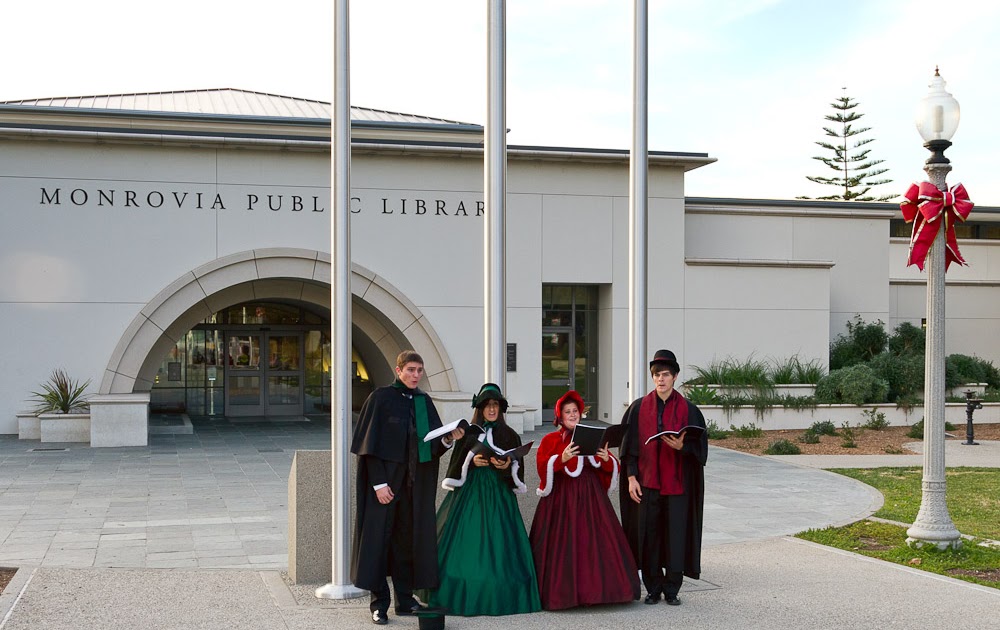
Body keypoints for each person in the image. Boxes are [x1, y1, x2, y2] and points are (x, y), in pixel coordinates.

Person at [350, 350, 465, 625]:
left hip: (414, 487)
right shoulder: (380, 398)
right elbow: (369, 447)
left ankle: (404, 599)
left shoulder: (424, 402)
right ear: (398, 369)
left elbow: (433, 446)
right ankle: (379, 603)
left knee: (406, 543)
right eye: (411, 370)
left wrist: (450, 438)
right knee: (379, 542)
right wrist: (378, 484)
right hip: (385, 485)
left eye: (419, 371)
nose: (415, 375)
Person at [423, 383, 542, 616]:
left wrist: (507, 465)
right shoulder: (469, 433)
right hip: (471, 495)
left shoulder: (510, 435)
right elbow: (456, 463)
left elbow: (517, 468)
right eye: (487, 405)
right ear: (480, 408)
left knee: (501, 544)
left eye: (495, 405)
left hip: (499, 496)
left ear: (500, 408)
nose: (491, 409)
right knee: (466, 543)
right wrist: (471, 462)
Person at [529, 390, 640, 610]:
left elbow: (609, 467)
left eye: (575, 411)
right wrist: (562, 458)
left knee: (595, 543)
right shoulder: (550, 439)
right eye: (567, 412)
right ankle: (565, 594)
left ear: (581, 414)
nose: (572, 415)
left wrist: (606, 459)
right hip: (561, 499)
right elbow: (542, 465)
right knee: (563, 545)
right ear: (560, 416)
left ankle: (599, 592)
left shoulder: (594, 436)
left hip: (591, 497)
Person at [619, 349, 708, 607]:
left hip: (677, 485)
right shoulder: (638, 408)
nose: (661, 379)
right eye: (657, 375)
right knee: (649, 536)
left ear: (675, 377)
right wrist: (631, 478)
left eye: (666, 374)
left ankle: (672, 589)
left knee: (675, 536)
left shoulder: (689, 410)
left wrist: (683, 447)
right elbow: (629, 448)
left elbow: (700, 448)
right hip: (647, 484)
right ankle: (653, 587)